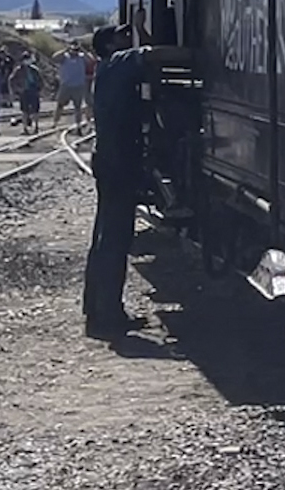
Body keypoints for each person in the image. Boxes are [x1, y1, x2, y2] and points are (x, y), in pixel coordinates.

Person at [84, 24, 187, 338]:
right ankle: (108, 315)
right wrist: (202, 55)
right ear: (110, 44)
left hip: (109, 159)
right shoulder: (118, 63)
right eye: (122, 35)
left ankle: (96, 309)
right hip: (118, 162)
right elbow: (155, 54)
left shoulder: (108, 69)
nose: (127, 37)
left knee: (104, 236)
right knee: (115, 237)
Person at [52, 43, 90, 132]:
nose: (75, 52)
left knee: (78, 107)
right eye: (73, 50)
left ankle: (78, 125)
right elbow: (54, 57)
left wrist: (82, 49)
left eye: (76, 50)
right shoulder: (64, 57)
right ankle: (55, 122)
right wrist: (66, 49)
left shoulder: (82, 57)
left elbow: (90, 60)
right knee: (59, 105)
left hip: (78, 86)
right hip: (65, 85)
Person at [11, 53, 43, 133]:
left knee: (35, 110)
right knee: (24, 111)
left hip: (34, 91)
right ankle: (25, 128)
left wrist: (39, 89)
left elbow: (40, 80)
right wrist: (17, 89)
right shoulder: (18, 70)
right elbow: (12, 80)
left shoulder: (35, 70)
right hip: (24, 92)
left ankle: (36, 127)